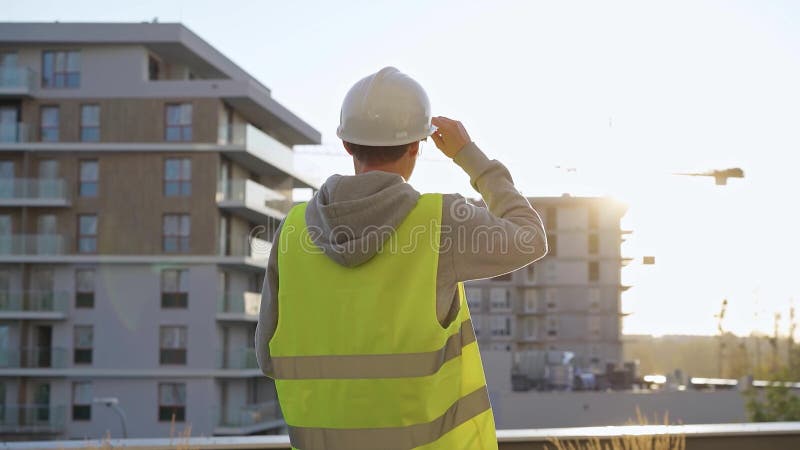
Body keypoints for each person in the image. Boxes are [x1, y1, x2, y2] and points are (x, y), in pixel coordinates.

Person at [256, 66, 548, 450]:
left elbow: (268, 356)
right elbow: (530, 237)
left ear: (346, 145)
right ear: (417, 145)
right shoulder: (440, 222)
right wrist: (470, 157)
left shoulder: (291, 232)